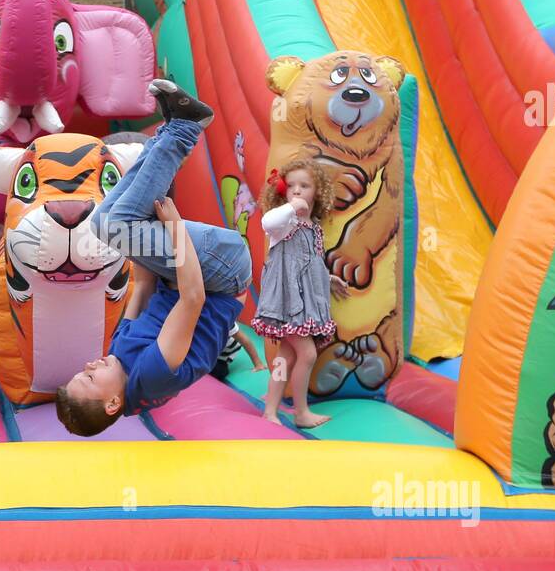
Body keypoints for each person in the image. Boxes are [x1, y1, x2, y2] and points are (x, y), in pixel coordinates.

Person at [56, 81, 252, 436]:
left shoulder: (118, 358)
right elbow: (194, 298)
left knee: (106, 223)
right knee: (115, 225)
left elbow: (144, 285)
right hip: (222, 273)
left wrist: (138, 235)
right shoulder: (152, 377)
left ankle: (171, 130)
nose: (89, 364)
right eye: (88, 376)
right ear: (112, 403)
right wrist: (172, 228)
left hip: (188, 270)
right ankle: (185, 127)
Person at [253, 159, 348, 428]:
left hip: (302, 302)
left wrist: (327, 279)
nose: (296, 190)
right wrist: (292, 206)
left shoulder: (313, 227)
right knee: (306, 355)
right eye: (291, 185)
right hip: (287, 302)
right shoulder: (285, 222)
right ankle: (301, 412)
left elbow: (308, 263)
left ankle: (271, 410)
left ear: (317, 192)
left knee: (286, 356)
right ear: (282, 191)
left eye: (304, 186)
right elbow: (267, 221)